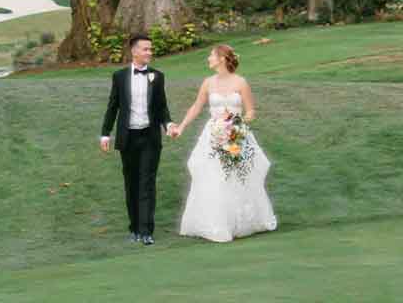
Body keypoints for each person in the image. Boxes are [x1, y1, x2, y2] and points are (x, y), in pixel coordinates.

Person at [173, 42, 277, 242]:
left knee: (237, 176)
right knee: (214, 176)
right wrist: (181, 126)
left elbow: (251, 112)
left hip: (236, 134)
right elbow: (196, 107)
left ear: (222, 58)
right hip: (213, 135)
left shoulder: (241, 82)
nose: (208, 59)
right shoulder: (208, 82)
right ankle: (217, 223)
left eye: (211, 55)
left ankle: (241, 221)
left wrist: (235, 124)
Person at [99, 33, 174, 246]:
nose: (149, 53)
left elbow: (161, 107)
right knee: (131, 184)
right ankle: (133, 228)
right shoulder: (119, 76)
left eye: (151, 49)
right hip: (127, 138)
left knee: (147, 184)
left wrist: (168, 124)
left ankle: (146, 231)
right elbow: (112, 107)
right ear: (134, 51)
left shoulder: (157, 76)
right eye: (145, 49)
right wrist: (105, 133)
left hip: (150, 138)